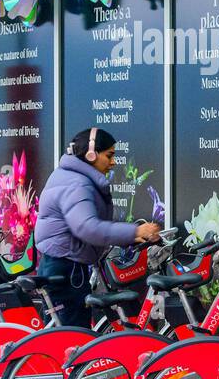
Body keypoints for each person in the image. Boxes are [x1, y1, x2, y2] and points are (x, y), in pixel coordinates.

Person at [33, 128, 161, 327]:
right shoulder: (77, 184)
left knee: (61, 336)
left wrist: (129, 237)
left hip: (60, 264)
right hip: (68, 269)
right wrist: (135, 231)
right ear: (91, 154)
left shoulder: (68, 176)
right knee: (73, 339)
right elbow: (87, 228)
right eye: (109, 155)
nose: (113, 162)